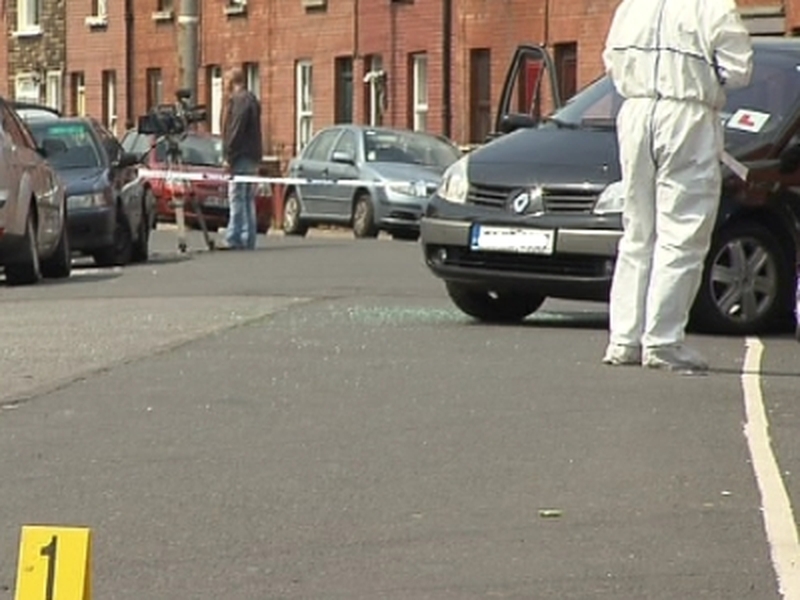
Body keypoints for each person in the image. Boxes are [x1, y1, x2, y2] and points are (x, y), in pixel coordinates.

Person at [601, 0, 754, 372]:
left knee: (637, 233)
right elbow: (738, 71)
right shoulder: (713, 8)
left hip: (636, 111)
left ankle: (625, 339)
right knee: (682, 234)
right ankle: (663, 341)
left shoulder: (632, 7)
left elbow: (611, 61)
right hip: (687, 113)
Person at [221, 67, 263, 250]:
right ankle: (248, 237)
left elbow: (235, 131)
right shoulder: (252, 100)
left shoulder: (239, 102)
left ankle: (235, 237)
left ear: (231, 83)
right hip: (253, 155)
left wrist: (229, 157)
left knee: (236, 196)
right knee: (247, 198)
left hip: (241, 156)